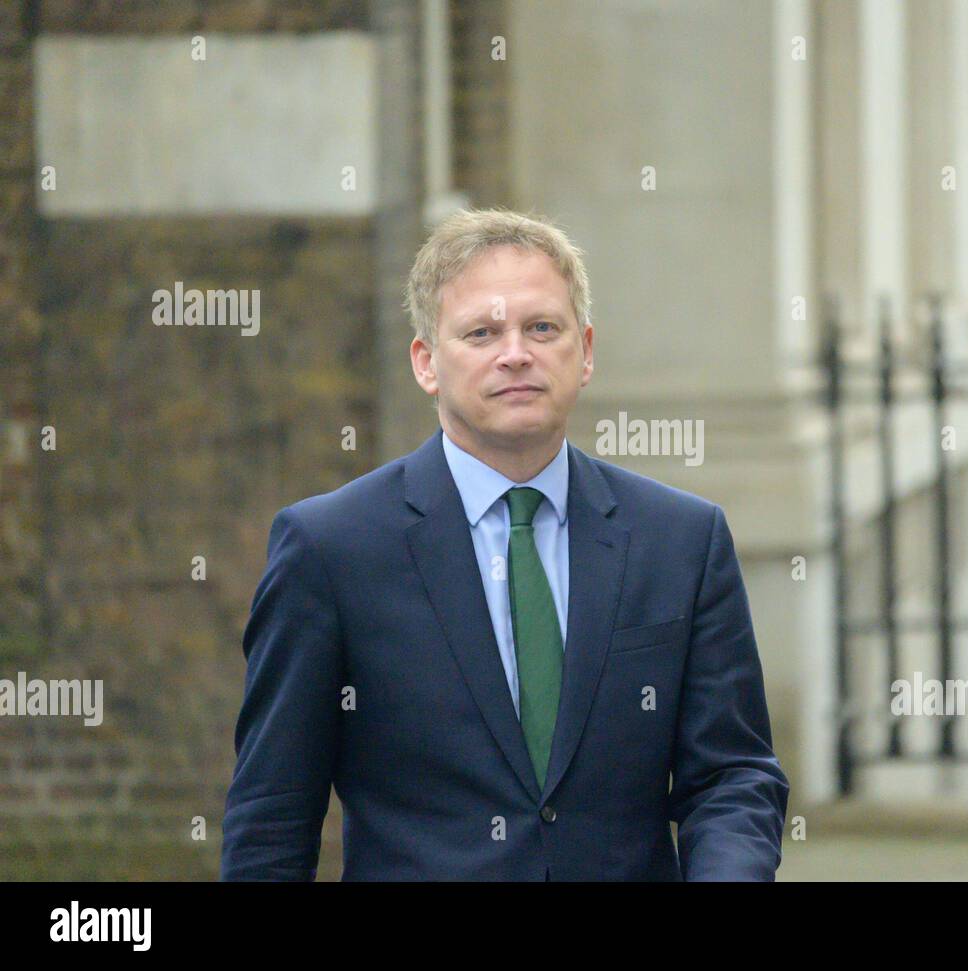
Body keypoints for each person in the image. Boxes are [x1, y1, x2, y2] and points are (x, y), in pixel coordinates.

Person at [220, 208, 788, 880]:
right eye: (482, 332)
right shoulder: (330, 550)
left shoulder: (682, 541)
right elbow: (273, 818)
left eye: (542, 327)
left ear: (586, 351)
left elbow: (731, 776)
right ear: (427, 363)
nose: (515, 352)